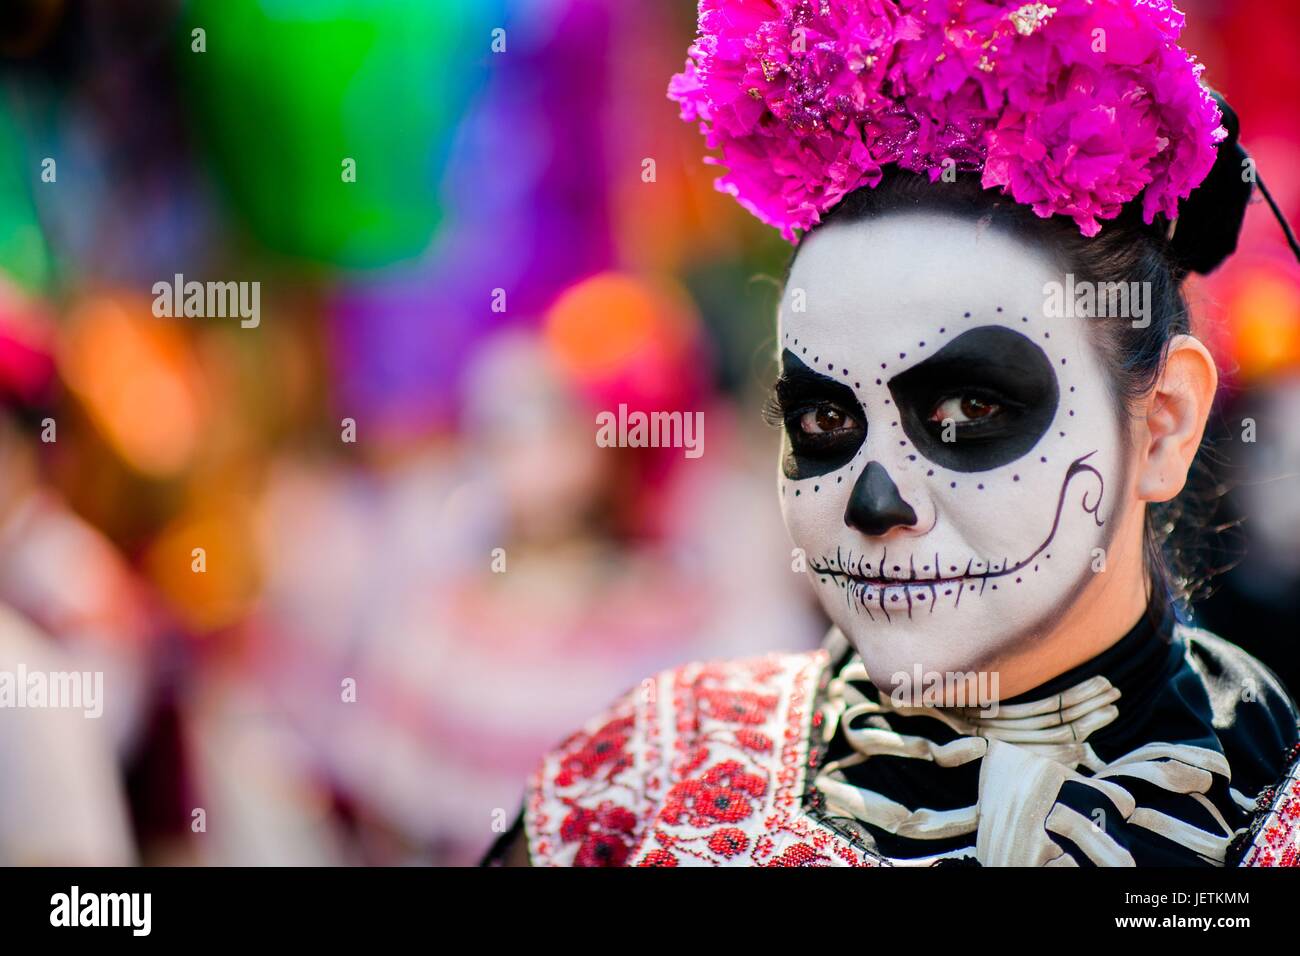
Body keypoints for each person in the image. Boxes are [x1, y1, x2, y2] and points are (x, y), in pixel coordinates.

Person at [482, 0, 1300, 867]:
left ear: (1164, 423)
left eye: (969, 412)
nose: (876, 502)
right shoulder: (638, 785)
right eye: (825, 421)